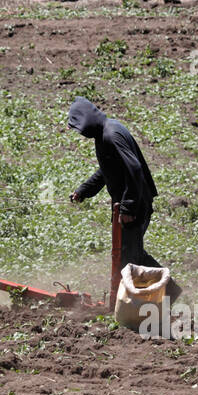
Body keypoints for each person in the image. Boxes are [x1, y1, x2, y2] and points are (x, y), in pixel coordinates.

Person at [66, 96, 160, 269]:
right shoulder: (105, 132)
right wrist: (83, 191)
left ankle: (167, 294)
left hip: (135, 205)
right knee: (127, 255)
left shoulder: (111, 135)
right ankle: (147, 294)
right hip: (131, 203)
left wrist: (128, 208)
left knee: (129, 258)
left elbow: (135, 168)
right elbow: (107, 170)